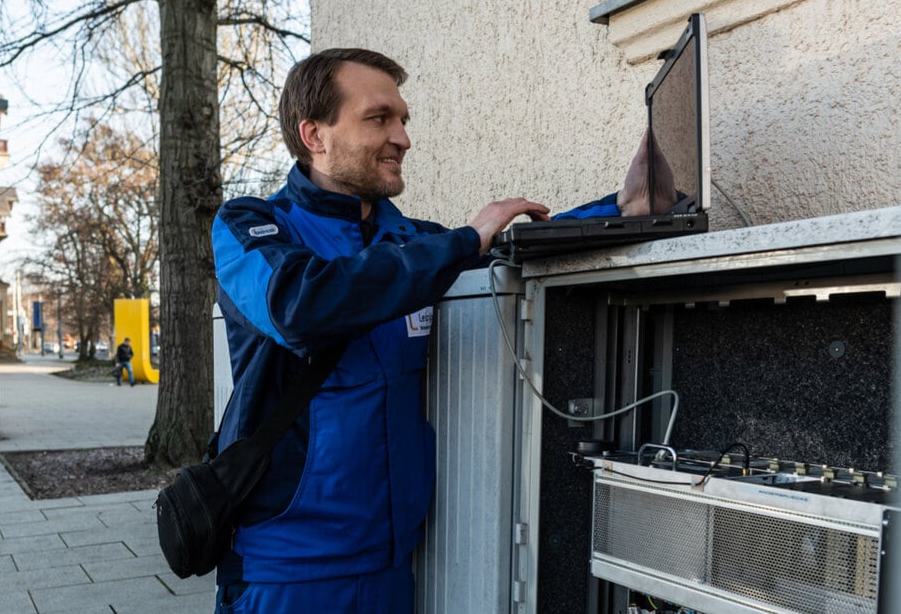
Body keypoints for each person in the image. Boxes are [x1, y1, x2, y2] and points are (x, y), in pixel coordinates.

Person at [211, 48, 675, 614]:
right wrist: (463, 240)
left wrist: (624, 209)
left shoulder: (408, 243)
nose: (403, 137)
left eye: (404, 120)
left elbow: (510, 249)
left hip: (391, 565)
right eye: (380, 118)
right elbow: (301, 304)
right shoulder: (251, 226)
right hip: (287, 572)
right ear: (315, 134)